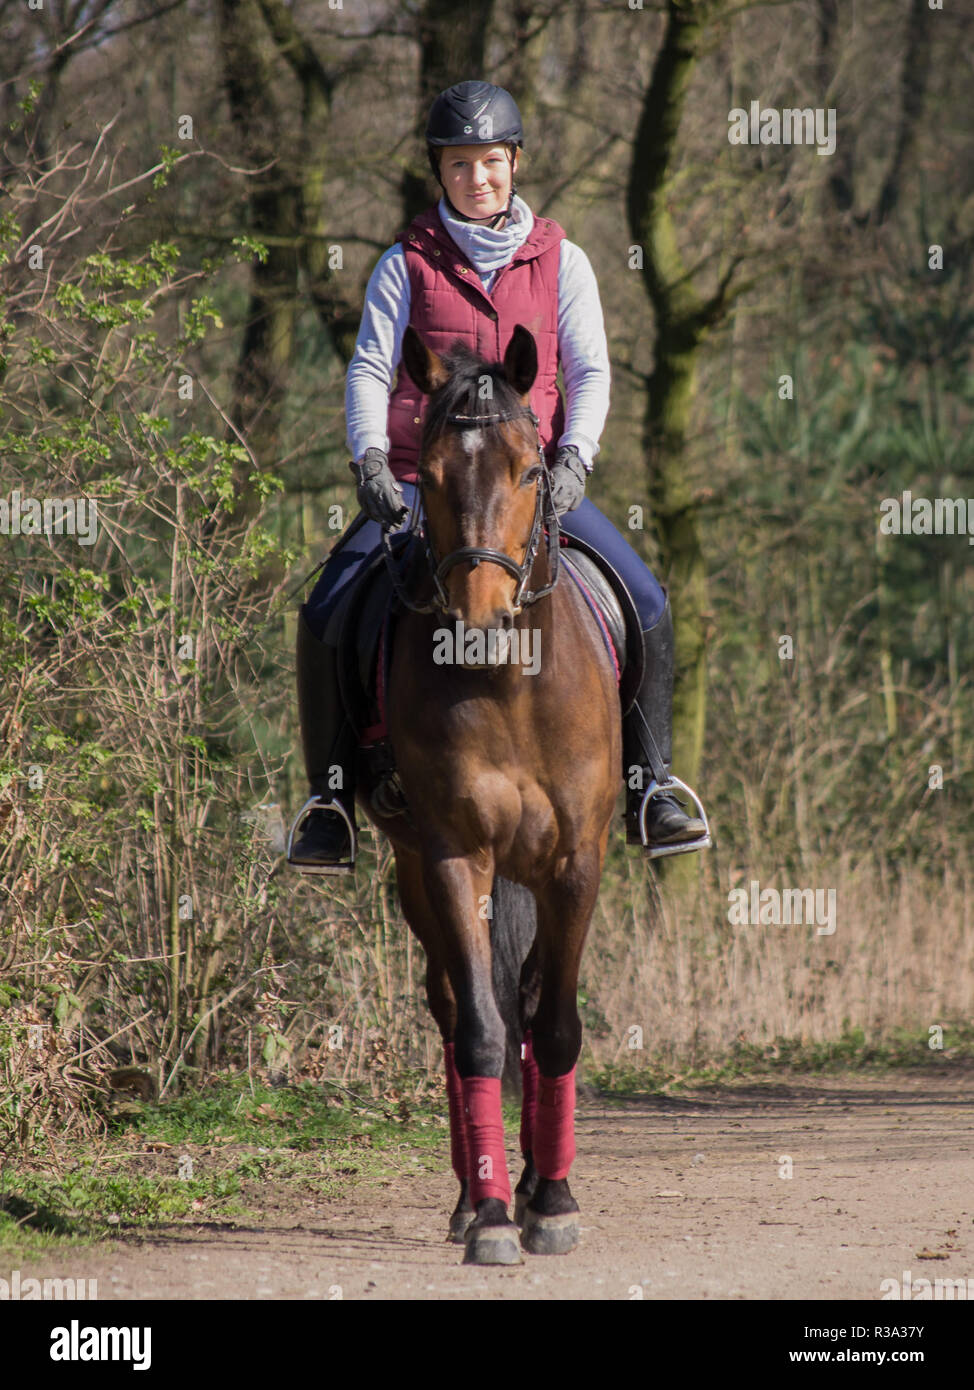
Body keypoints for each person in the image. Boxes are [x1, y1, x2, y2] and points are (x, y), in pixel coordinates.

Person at [288, 80, 708, 872]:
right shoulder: (403, 263)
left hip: (529, 484)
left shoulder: (565, 261)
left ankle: (652, 785)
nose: (476, 179)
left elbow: (590, 372)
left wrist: (574, 457)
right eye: (458, 165)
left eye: (489, 162)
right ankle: (330, 801)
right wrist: (371, 461)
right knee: (325, 609)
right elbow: (371, 371)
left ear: (513, 164)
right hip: (427, 481)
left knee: (646, 598)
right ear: (437, 172)